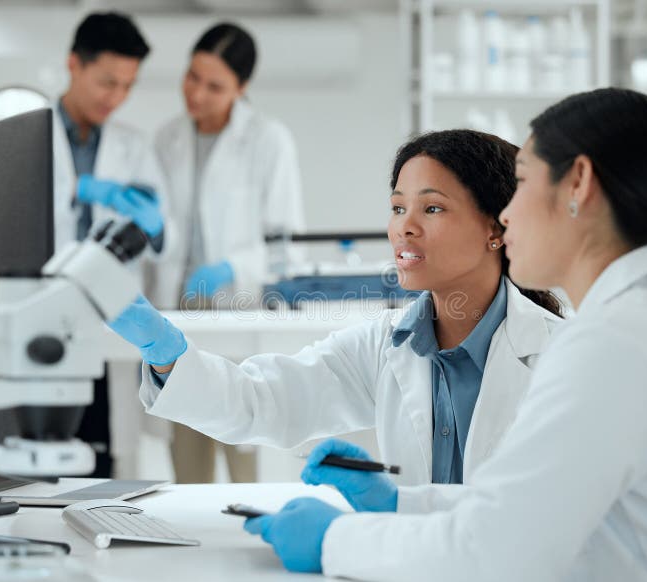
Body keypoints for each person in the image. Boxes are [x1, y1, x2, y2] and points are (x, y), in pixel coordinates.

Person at [241, 88, 647, 580]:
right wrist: (402, 505)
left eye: (520, 184)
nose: (508, 213)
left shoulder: (612, 345)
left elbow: (495, 552)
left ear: (578, 182)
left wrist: (333, 540)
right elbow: (532, 512)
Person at [109, 129, 563, 491]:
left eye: (432, 208)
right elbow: (264, 401)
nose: (404, 226)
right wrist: (167, 352)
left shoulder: (562, 357)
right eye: (398, 207)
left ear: (496, 229)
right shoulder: (385, 346)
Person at [147, 22, 305, 483]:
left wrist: (232, 267)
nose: (196, 93)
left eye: (214, 86)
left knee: (243, 449)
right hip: (178, 311)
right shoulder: (167, 139)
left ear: (242, 88)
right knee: (188, 457)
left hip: (238, 306)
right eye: (192, 77)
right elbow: (164, 232)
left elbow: (285, 244)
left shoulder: (268, 140)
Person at [54, 12, 172, 477]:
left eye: (128, 86)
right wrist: (77, 190)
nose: (117, 98)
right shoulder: (29, 134)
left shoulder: (133, 146)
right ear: (73, 65)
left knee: (101, 459)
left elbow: (164, 235)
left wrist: (155, 226)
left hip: (107, 319)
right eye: (107, 82)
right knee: (37, 460)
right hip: (47, 310)